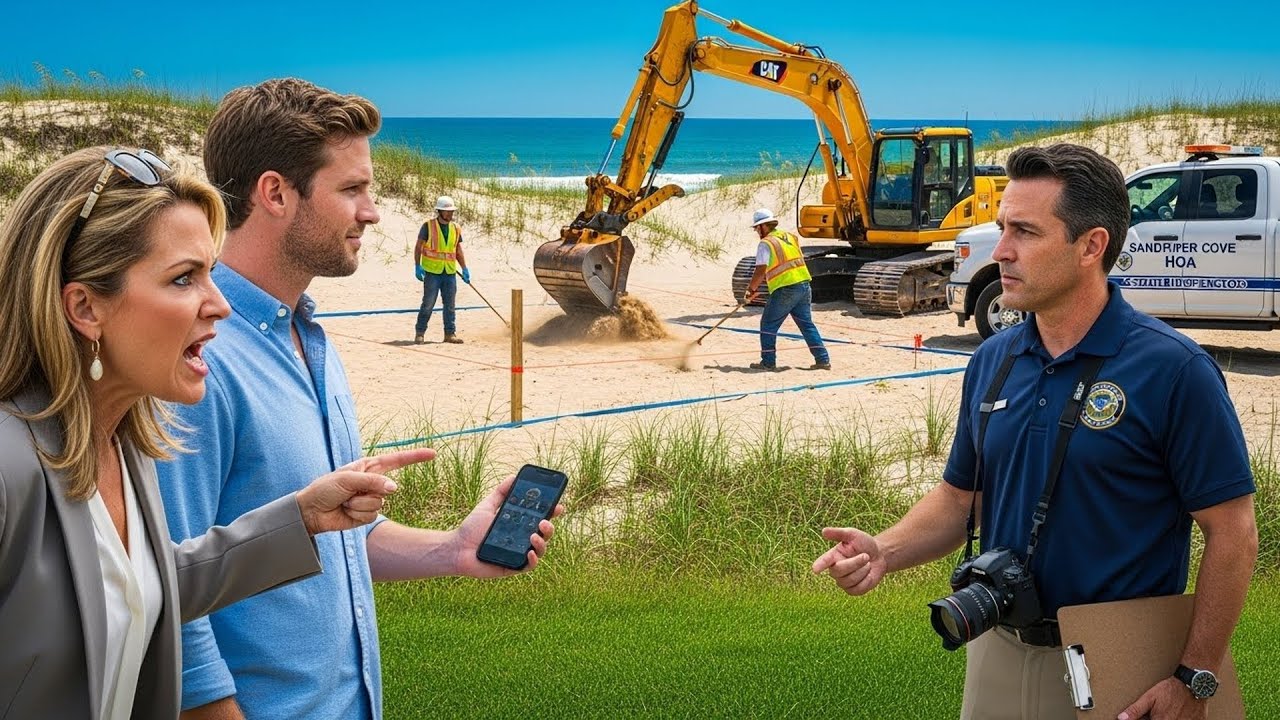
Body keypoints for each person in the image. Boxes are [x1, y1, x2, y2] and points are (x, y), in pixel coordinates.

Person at [157, 79, 561, 720]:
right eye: (351, 189)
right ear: (275, 194)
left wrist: (451, 550)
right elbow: (167, 596)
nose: (371, 212)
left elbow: (327, 537)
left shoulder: (308, 339)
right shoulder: (196, 358)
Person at [812, 143, 1257, 719]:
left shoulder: (1175, 371)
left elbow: (1233, 532)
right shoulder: (993, 359)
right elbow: (959, 498)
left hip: (1120, 658)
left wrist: (1195, 675)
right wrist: (883, 550)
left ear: (1091, 246)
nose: (1000, 251)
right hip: (996, 642)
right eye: (1001, 228)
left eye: (1025, 231)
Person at [0, 146, 430, 718]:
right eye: (183, 279)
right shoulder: (9, 467)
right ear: (85, 307)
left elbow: (140, 587)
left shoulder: (125, 446)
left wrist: (301, 517)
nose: (220, 305)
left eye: (209, 272)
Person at [742, 208, 831, 371]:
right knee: (806, 324)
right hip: (804, 284)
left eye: (756, 228)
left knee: (768, 324)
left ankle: (768, 362)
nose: (756, 231)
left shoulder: (766, 243)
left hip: (785, 288)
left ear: (763, 226)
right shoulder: (790, 237)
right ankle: (823, 359)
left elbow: (760, 270)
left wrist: (750, 289)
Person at [413, 194, 469, 344]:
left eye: (451, 211)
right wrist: (417, 266)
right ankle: (420, 333)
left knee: (450, 304)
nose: (450, 213)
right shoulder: (428, 226)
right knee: (428, 303)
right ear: (439, 211)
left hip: (449, 272)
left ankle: (450, 334)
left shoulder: (456, 228)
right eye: (447, 211)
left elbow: (457, 249)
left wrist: (464, 268)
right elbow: (419, 247)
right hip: (432, 272)